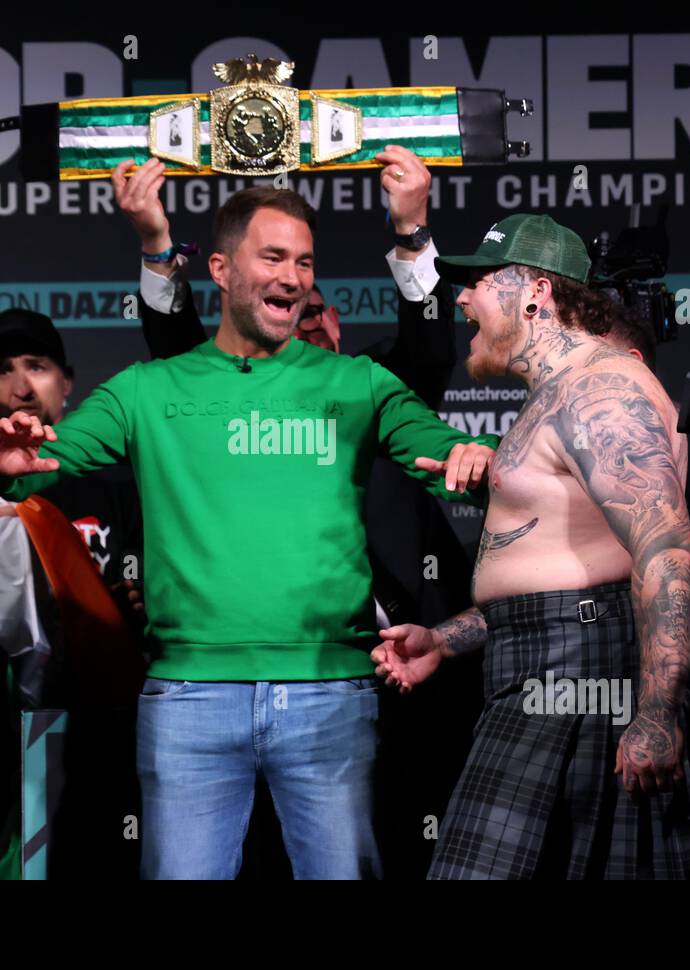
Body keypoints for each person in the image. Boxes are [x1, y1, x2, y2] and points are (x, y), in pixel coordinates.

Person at [0, 184, 496, 880]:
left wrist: (471, 460)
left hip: (329, 695)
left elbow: (443, 455)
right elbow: (41, 463)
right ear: (220, 271)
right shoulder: (147, 391)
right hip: (187, 700)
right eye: (274, 257)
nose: (292, 277)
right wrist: (10, 465)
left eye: (305, 263)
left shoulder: (359, 383)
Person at [113, 147, 479, 877]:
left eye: (310, 305)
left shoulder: (373, 385)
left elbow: (432, 343)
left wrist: (411, 233)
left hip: (389, 663)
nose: (295, 317)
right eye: (276, 292)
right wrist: (157, 246)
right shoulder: (217, 382)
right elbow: (180, 349)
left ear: (335, 321)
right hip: (236, 676)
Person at [374, 213, 690, 878]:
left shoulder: (602, 388)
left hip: (586, 679)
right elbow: (557, 584)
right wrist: (446, 639)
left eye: (478, 282)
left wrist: (657, 714)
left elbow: (664, 551)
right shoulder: (558, 394)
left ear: (536, 293)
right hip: (544, 669)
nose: (462, 298)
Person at [0, 308, 144, 879]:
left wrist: (141, 600)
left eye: (37, 366)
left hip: (105, 728)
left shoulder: (116, 479)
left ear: (68, 381)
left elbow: (147, 589)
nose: (21, 385)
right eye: (2, 369)